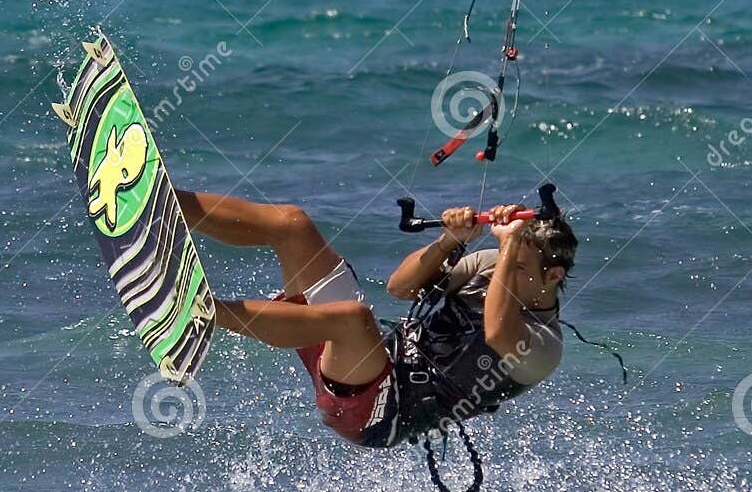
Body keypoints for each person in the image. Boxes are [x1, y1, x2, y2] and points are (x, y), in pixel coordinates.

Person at [175, 190, 576, 449]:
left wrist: (507, 247)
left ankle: (198, 309)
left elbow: (496, 329)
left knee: (353, 318)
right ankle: (166, 206)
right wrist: (450, 241)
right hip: (363, 355)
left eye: (517, 263)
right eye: (507, 257)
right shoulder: (488, 266)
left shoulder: (543, 347)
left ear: (553, 276)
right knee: (292, 225)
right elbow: (400, 287)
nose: (502, 263)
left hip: (380, 412)